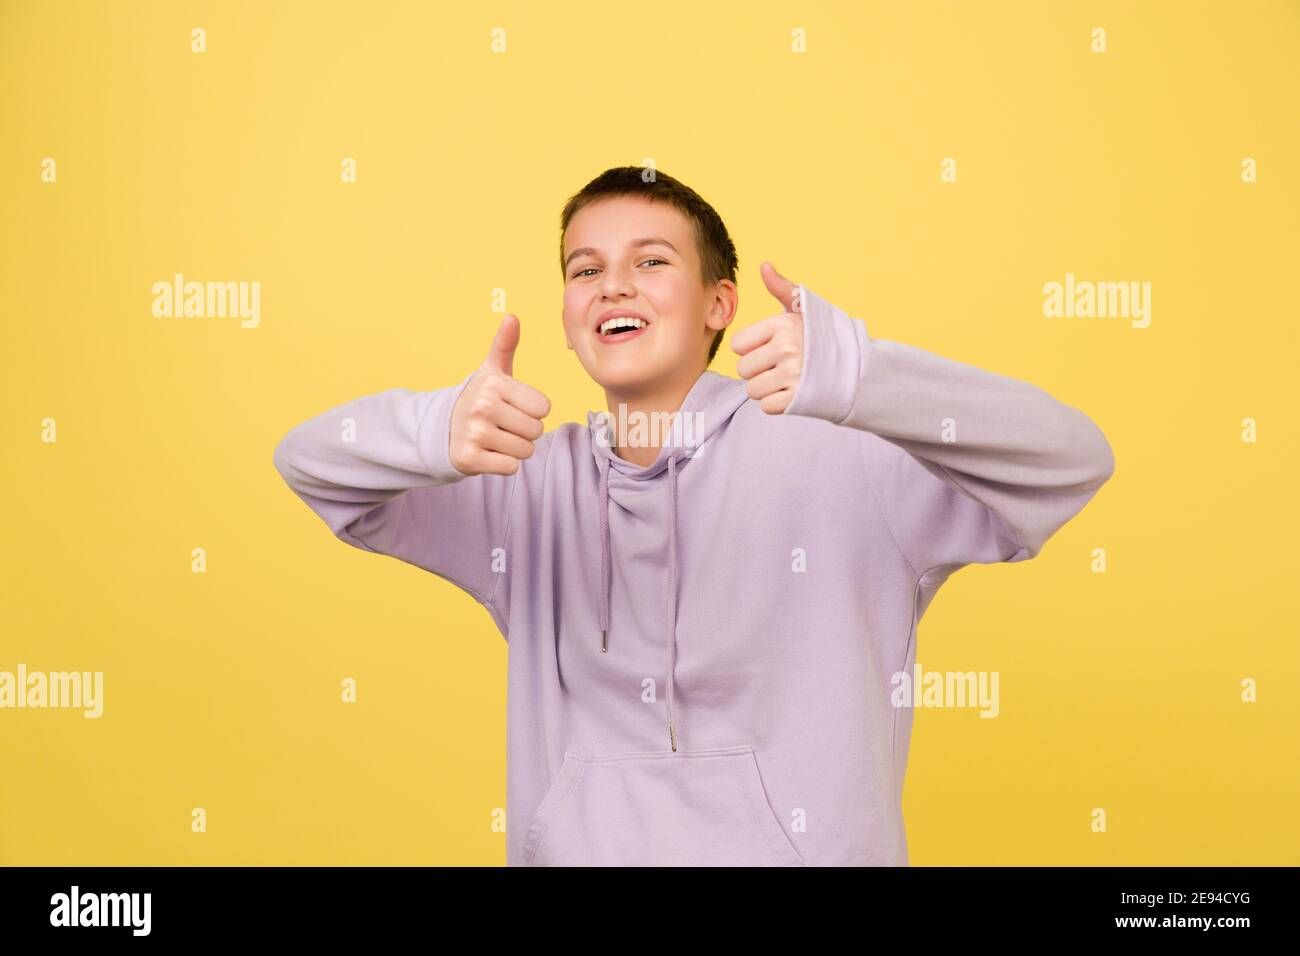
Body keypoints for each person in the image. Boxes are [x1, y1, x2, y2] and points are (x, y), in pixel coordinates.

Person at [272, 166, 1115, 866]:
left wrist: (867, 380)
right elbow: (311, 466)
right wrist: (433, 428)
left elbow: (1073, 459)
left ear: (720, 304)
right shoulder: (521, 490)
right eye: (584, 269)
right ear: (568, 320)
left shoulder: (844, 461)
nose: (614, 286)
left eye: (650, 262)